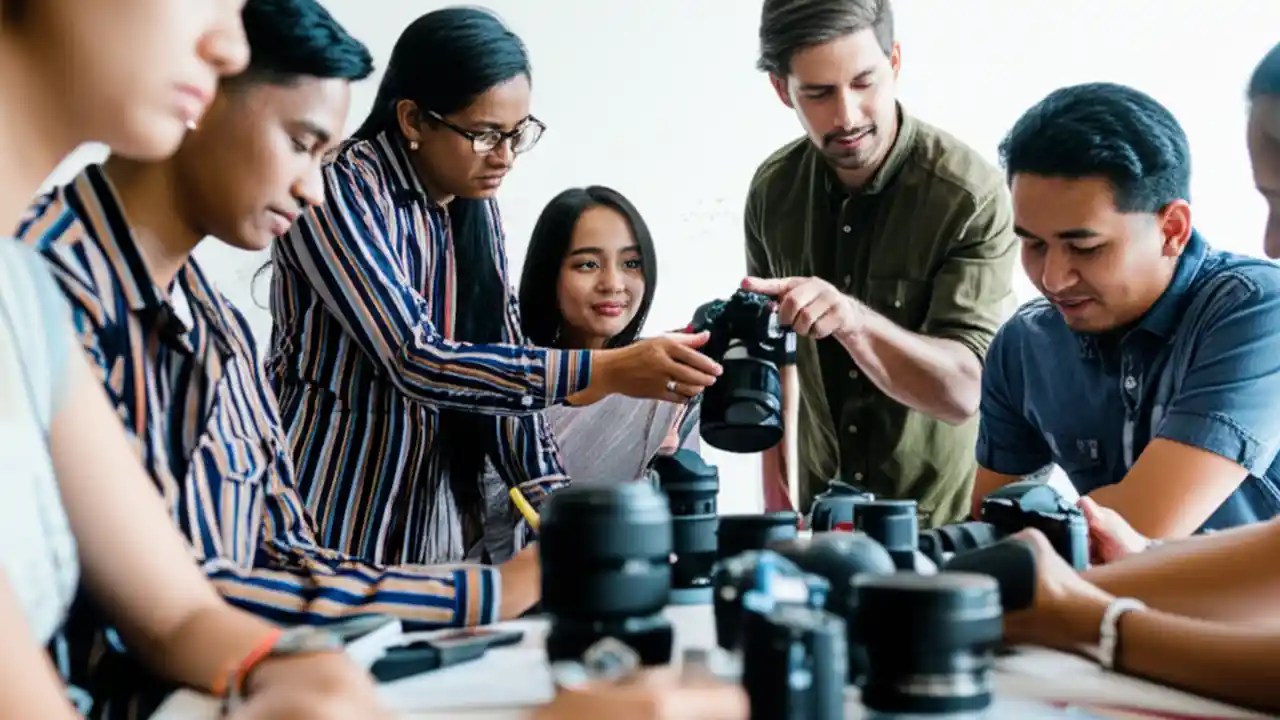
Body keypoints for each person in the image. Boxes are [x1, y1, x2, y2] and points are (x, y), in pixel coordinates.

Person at [19, 1, 547, 716]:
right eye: (301, 145)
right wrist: (485, 590)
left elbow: (258, 569)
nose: (314, 189)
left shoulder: (226, 333)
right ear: (203, 95)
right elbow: (176, 600)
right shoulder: (51, 288)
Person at [0, 0, 385, 718]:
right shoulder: (58, 280)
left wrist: (284, 669)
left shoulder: (25, 296)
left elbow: (176, 613)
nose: (230, 45)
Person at [264, 6, 722, 567]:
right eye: (484, 135)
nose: (505, 157)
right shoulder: (340, 190)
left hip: (425, 533)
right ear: (413, 120)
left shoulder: (474, 207)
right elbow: (418, 359)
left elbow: (505, 376)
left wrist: (556, 508)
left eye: (517, 134)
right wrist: (607, 370)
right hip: (324, 515)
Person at [740, 0, 1018, 525]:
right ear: (782, 90)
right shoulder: (773, 191)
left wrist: (851, 320)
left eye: (864, 82)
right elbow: (775, 362)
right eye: (818, 94)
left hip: (943, 526)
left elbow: (965, 390)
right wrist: (778, 510)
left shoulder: (968, 196)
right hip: (819, 518)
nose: (846, 116)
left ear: (894, 62)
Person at [971, 80, 1280, 543]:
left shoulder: (1257, 311)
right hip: (1108, 608)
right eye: (1033, 244)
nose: (1053, 279)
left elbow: (1142, 531)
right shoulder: (1024, 345)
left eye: (1085, 247)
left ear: (1172, 230)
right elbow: (989, 532)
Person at [474, 186, 702, 561]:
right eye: (587, 264)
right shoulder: (504, 374)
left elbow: (685, 522)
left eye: (631, 263)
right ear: (550, 273)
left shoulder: (666, 381)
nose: (613, 283)